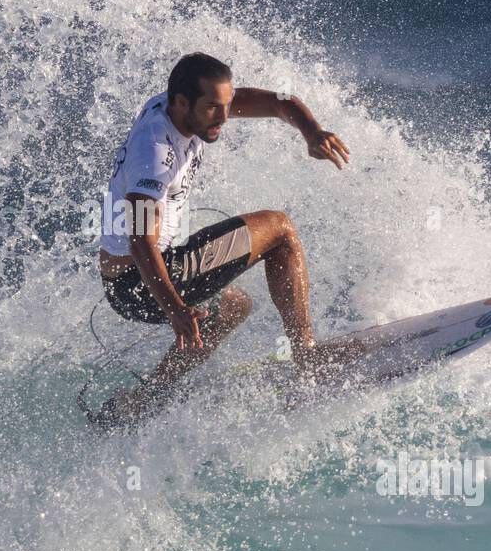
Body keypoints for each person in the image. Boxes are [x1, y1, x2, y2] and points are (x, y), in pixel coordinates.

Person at [95, 52, 356, 425]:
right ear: (181, 102)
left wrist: (311, 131)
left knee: (233, 307)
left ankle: (144, 401)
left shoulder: (183, 109)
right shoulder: (154, 151)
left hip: (126, 285)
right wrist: (176, 310)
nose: (223, 117)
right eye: (213, 108)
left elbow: (279, 103)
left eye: (227, 105)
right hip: (142, 277)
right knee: (280, 229)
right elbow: (140, 239)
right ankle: (307, 355)